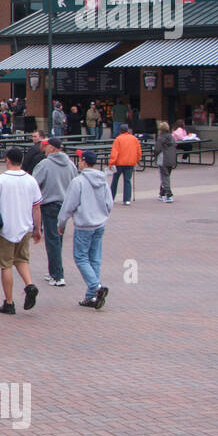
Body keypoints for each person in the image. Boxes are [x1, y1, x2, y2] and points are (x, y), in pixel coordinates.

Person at [0, 146, 42, 315]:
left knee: (5, 264)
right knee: (22, 259)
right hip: (25, 226)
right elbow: (37, 207)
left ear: (7, 160)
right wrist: (37, 228)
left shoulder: (1, 180)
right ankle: (30, 285)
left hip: (6, 228)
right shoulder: (30, 180)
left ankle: (9, 302)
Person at [57, 149, 114, 309]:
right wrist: (103, 215)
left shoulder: (78, 182)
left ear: (83, 162)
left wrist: (61, 223)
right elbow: (109, 203)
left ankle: (96, 286)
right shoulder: (102, 180)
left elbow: (69, 205)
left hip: (84, 225)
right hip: (99, 224)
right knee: (94, 258)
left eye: (80, 160)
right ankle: (91, 295)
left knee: (81, 258)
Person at [33, 137, 78, 285]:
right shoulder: (71, 165)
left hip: (50, 205)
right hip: (66, 205)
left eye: (46, 147)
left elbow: (34, 184)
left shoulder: (45, 164)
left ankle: (57, 275)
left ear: (52, 148)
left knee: (52, 240)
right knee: (58, 238)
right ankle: (54, 269)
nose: (44, 149)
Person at [108, 124, 140, 205]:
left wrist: (111, 163)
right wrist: (136, 160)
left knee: (115, 180)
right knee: (127, 181)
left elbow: (114, 153)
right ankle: (127, 199)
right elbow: (138, 152)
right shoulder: (134, 139)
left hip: (119, 163)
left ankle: (111, 197)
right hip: (130, 163)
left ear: (120, 131)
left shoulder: (118, 139)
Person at [154, 120, 177, 204]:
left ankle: (169, 195)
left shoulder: (160, 138)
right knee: (166, 176)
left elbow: (157, 149)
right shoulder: (171, 137)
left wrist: (154, 156)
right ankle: (162, 193)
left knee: (164, 177)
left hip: (163, 159)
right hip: (171, 159)